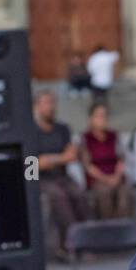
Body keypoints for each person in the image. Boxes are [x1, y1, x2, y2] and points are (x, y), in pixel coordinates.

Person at [32, 89, 87, 258]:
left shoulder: (63, 129)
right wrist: (59, 158)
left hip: (62, 176)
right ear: (37, 107)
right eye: (47, 103)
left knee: (78, 194)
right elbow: (32, 166)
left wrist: (50, 159)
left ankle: (84, 242)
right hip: (40, 179)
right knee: (59, 197)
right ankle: (68, 246)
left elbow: (71, 156)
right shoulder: (30, 131)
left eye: (53, 103)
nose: (51, 107)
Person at [80, 102, 132, 220]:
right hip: (98, 178)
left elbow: (121, 159)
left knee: (125, 194)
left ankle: (124, 231)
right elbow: (87, 165)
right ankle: (107, 229)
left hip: (116, 176)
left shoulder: (113, 136)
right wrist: (106, 179)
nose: (103, 119)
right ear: (91, 119)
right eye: (99, 116)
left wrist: (116, 176)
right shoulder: (86, 138)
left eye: (105, 116)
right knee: (104, 194)